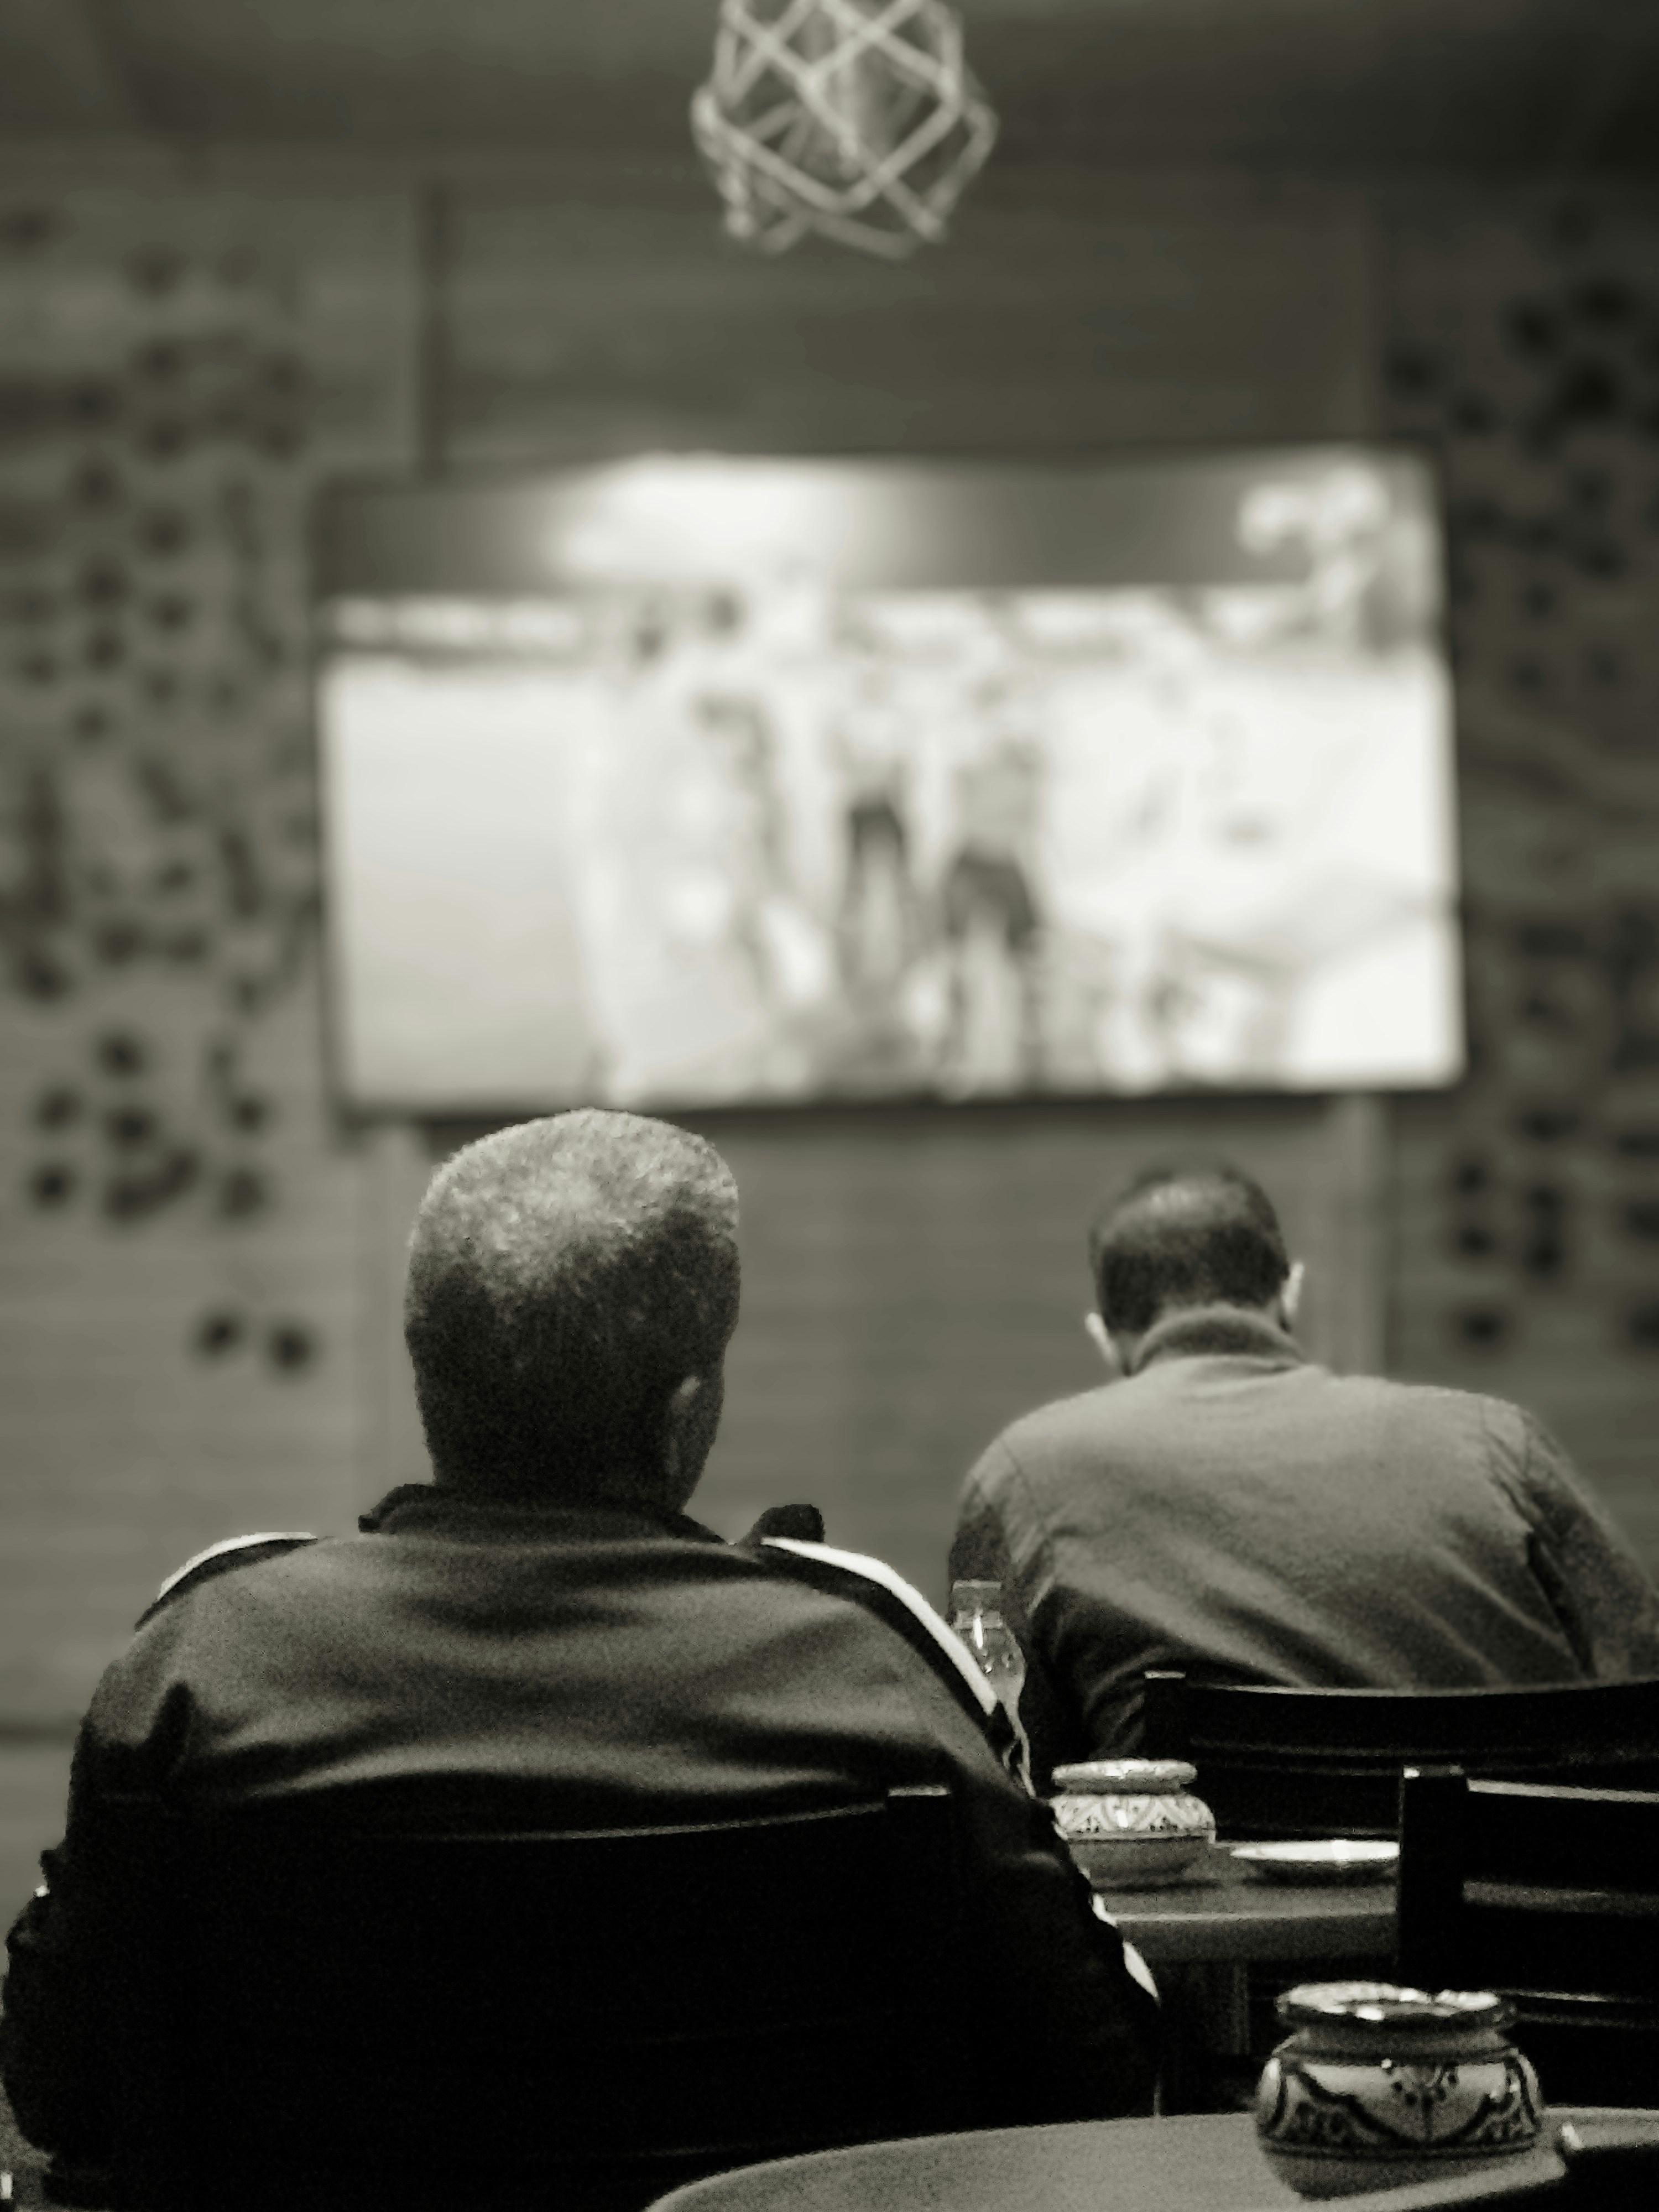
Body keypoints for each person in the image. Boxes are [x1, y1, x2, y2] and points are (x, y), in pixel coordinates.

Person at [2, 1110, 1159, 2177]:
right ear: (685, 1412)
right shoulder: (861, 1658)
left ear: (426, 1372)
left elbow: (55, 2085)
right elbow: (1102, 2065)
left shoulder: (205, 1660)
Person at [949, 1162, 1659, 1780]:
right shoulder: (1501, 1442)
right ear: (1290, 1294)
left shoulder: (1024, 1472)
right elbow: (1637, 1685)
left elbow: (1006, 1761)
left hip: (1210, 1935)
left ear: (1106, 1339)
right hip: (1513, 1920)